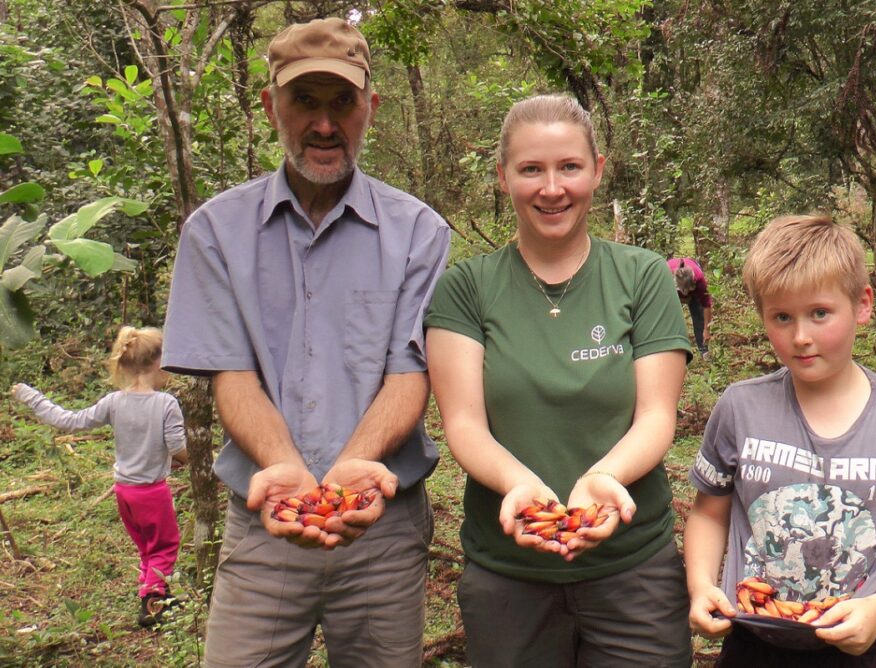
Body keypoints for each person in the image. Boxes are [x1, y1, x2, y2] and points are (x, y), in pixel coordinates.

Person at [161, 17, 450, 667]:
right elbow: (232, 376)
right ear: (270, 107)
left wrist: (348, 476)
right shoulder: (216, 233)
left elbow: (410, 374)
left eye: (342, 102)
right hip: (265, 522)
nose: (325, 124)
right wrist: (288, 471)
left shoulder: (419, 233)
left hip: (385, 527)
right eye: (306, 101)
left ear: (369, 109)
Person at [425, 94, 693, 667]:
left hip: (634, 569)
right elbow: (465, 423)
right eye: (531, 169)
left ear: (597, 169)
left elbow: (656, 415)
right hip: (508, 577)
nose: (552, 188)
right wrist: (521, 485)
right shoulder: (466, 289)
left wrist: (602, 478)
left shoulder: (642, 276)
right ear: (503, 178)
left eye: (569, 167)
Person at [684, 215, 876, 666]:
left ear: (862, 305)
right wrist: (700, 586)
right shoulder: (741, 408)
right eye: (782, 317)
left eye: (820, 313)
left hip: (866, 645)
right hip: (755, 642)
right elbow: (708, 514)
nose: (801, 337)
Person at [11, 326, 187, 628]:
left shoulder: (114, 401)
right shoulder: (165, 404)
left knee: (146, 545)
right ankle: (153, 602)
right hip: (152, 492)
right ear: (157, 363)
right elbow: (178, 447)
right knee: (164, 545)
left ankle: (153, 589)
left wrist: (31, 396)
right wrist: (204, 461)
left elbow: (69, 421)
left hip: (124, 492)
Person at [668, 256, 713, 358]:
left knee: (698, 315)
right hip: (671, 292)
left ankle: (703, 350)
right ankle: (672, 349)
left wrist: (706, 330)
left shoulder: (699, 278)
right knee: (671, 319)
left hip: (693, 293)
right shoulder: (666, 273)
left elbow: (707, 305)